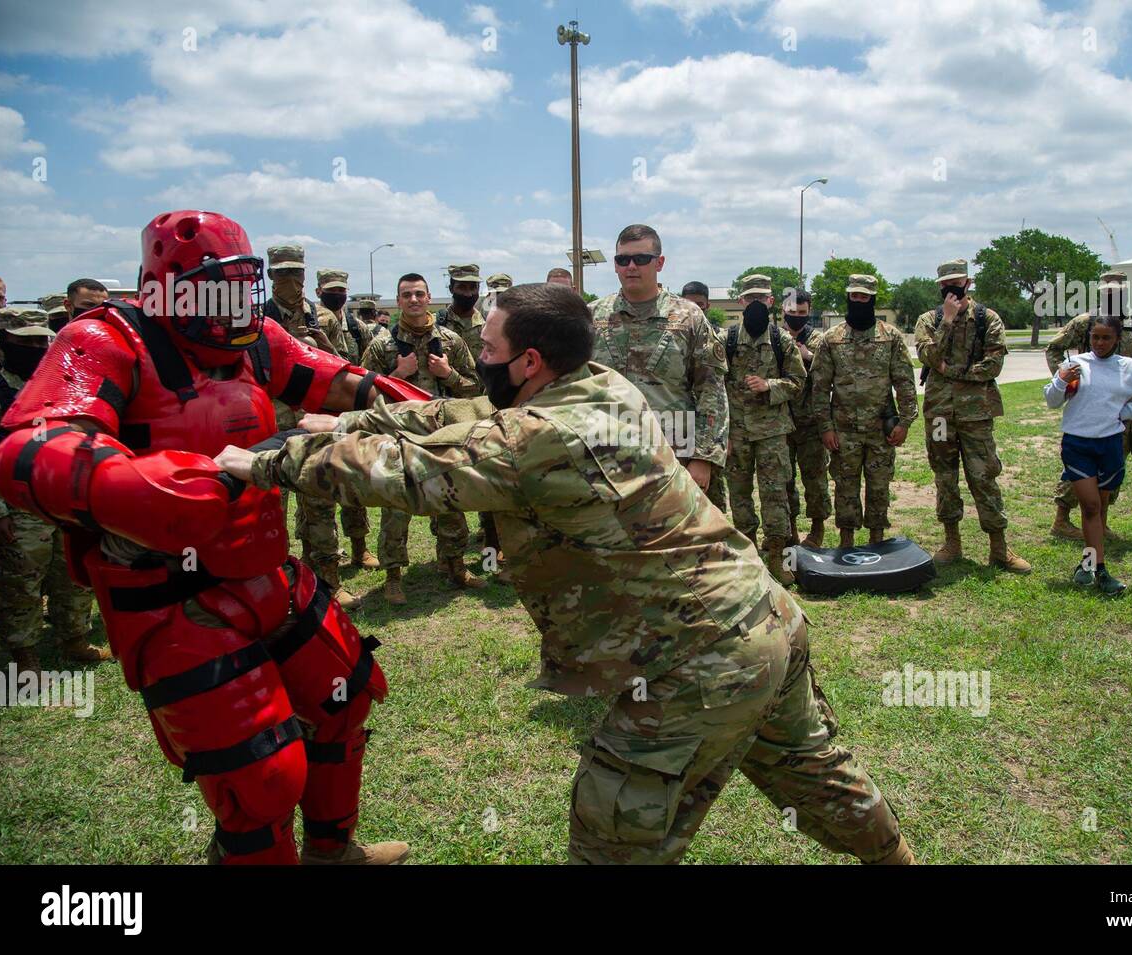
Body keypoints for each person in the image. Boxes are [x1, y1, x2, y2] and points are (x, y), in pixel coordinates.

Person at [218, 281, 913, 866]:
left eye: (487, 350)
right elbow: (460, 412)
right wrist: (344, 421)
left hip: (701, 656)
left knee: (608, 825)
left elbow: (409, 472)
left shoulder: (538, 439)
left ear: (527, 361)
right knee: (816, 774)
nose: (478, 360)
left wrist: (268, 463)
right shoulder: (601, 385)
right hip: (766, 619)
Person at [0, 210, 427, 864]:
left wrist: (430, 413)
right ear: (170, 285)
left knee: (347, 696)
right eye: (214, 288)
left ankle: (336, 854)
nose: (230, 304)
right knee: (262, 778)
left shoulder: (256, 339)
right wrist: (150, 486)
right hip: (171, 598)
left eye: (237, 286)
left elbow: (334, 378)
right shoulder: (108, 337)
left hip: (264, 569)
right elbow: (28, 447)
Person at [357, 272, 486, 600]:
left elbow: (476, 387)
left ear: (429, 297)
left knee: (450, 499)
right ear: (398, 301)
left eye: (419, 294)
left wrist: (448, 373)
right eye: (406, 295)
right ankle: (393, 575)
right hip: (398, 435)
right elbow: (360, 393)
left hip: (441, 434)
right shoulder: (382, 344)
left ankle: (455, 563)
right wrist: (396, 375)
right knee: (395, 505)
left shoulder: (450, 341)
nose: (413, 300)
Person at [0, 308, 104, 670]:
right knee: (22, 580)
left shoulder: (66, 383)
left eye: (43, 341)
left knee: (72, 572)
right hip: (19, 505)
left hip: (64, 498)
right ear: (7, 341)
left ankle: (74, 637)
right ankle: (23, 653)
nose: (37, 348)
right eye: (27, 342)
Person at [590, 225, 729, 512]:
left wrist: (703, 458)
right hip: (609, 455)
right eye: (622, 260)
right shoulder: (593, 317)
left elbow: (711, 390)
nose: (631, 266)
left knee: (683, 543)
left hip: (676, 452)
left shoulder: (689, 318)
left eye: (641, 259)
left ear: (659, 263)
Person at [261, 243, 362, 609]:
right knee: (273, 509)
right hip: (272, 427)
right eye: (282, 273)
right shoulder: (258, 319)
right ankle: (276, 586)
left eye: (296, 273)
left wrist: (321, 344)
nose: (291, 280)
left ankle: (328, 583)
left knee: (321, 502)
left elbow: (344, 368)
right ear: (270, 276)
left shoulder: (324, 318)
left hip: (313, 423)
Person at [914, 258, 1030, 572]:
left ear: (968, 282)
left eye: (957, 281)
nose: (951, 287)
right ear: (939, 286)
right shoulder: (929, 319)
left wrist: (951, 371)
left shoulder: (987, 318)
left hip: (976, 413)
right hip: (939, 414)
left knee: (984, 476)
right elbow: (926, 355)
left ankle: (999, 547)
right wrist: (947, 322)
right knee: (945, 477)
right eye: (945, 283)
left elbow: (993, 365)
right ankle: (952, 542)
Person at [1045, 314, 1132, 596]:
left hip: (1111, 445)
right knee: (1090, 506)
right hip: (1078, 445)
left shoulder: (1130, 368)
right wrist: (1061, 381)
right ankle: (1100, 570)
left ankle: (1086, 566)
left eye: (1106, 338)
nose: (1100, 343)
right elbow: (1052, 401)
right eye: (1095, 337)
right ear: (1089, 338)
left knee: (1100, 509)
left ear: (1117, 340)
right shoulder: (1075, 365)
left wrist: (1128, 413)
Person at [1047, 271, 1132, 539]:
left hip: (1123, 412)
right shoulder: (1086, 322)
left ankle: (1101, 524)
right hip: (1089, 407)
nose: (1112, 296)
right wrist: (1068, 381)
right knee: (1079, 466)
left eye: (1117, 292)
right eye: (1107, 292)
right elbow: (1054, 348)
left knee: (1113, 466)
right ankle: (1061, 520)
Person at [811, 275, 918, 548]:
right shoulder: (830, 339)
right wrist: (826, 427)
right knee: (846, 489)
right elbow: (820, 388)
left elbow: (905, 383)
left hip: (881, 430)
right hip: (843, 432)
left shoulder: (891, 337)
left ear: (872, 299)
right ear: (848, 297)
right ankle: (846, 544)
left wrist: (904, 422)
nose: (858, 300)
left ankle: (877, 542)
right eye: (854, 296)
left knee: (879, 487)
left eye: (864, 296)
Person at [723, 274, 805, 583]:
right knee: (740, 496)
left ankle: (778, 557)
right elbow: (713, 386)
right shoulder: (727, 340)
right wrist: (724, 433)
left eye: (761, 299)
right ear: (740, 302)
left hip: (772, 434)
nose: (755, 303)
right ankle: (749, 555)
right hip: (738, 434)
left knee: (776, 496)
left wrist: (769, 385)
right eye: (749, 298)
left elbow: (799, 383)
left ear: (771, 303)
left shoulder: (782, 341)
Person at [314, 268, 377, 570]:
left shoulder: (355, 326)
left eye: (341, 290)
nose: (337, 295)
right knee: (317, 489)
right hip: (317, 414)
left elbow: (367, 366)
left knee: (353, 483)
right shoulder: (312, 323)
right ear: (318, 292)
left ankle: (359, 548)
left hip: (350, 415)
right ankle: (318, 554)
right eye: (331, 290)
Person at [780, 288, 833, 546]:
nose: (797, 317)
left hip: (811, 423)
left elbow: (830, 374)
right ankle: (790, 531)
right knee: (784, 480)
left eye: (802, 313)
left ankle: (817, 530)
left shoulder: (820, 340)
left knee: (815, 479)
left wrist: (808, 357)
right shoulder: (774, 338)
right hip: (781, 424)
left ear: (809, 311)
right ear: (783, 311)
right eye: (792, 312)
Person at [680, 279, 729, 511]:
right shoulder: (672, 335)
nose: (694, 309)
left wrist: (711, 448)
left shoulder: (718, 339)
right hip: (677, 429)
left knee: (712, 506)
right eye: (689, 304)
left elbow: (719, 394)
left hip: (708, 431)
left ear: (707, 305)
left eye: (699, 304)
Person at [435, 263, 486, 362]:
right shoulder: (435, 325)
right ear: (451, 289)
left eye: (473, 287)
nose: (468, 294)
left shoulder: (488, 328)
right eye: (462, 287)